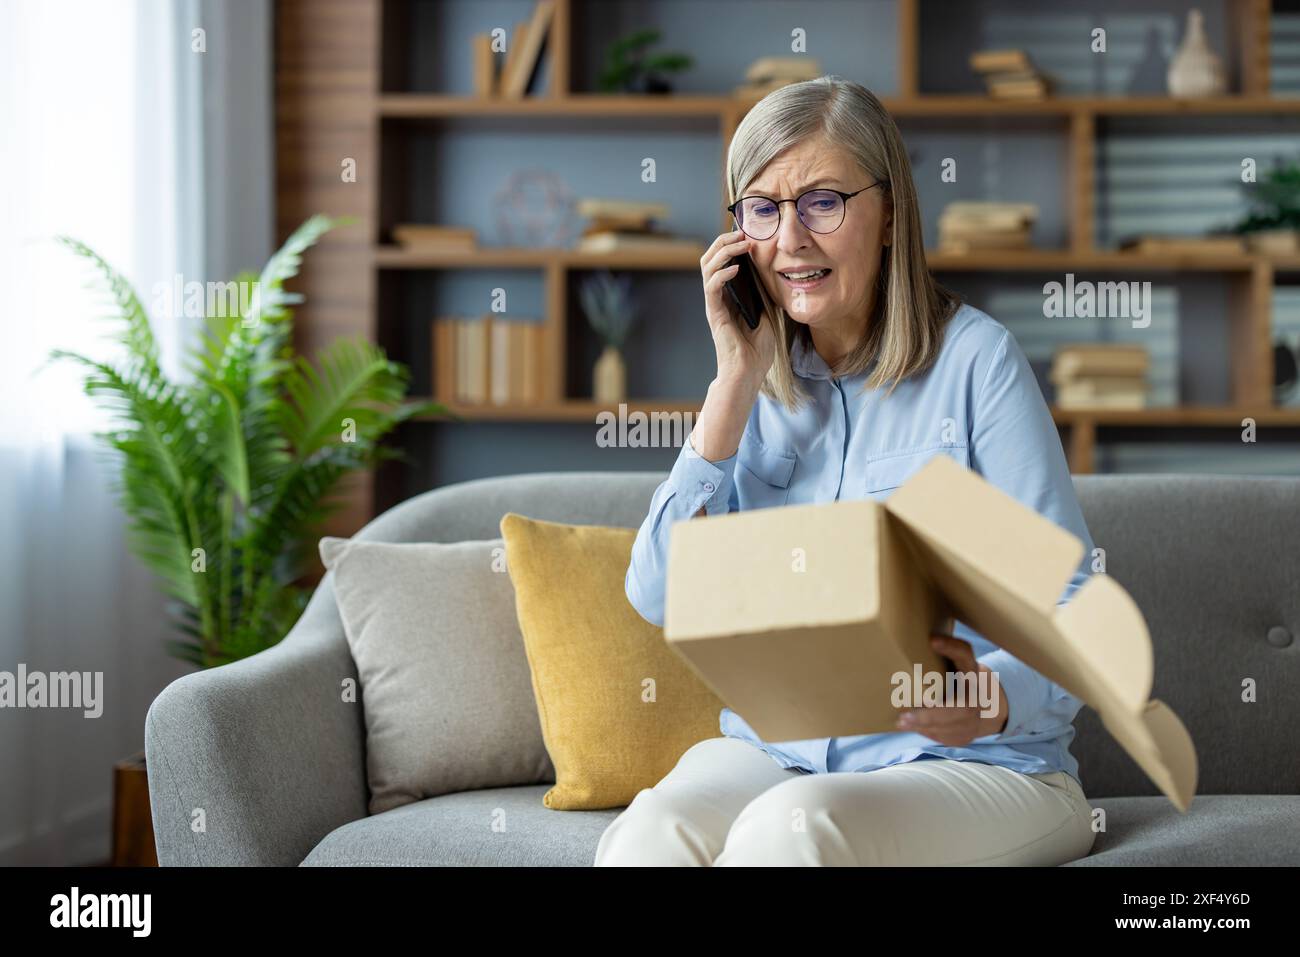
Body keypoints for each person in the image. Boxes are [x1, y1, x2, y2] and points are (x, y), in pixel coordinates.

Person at [594, 76, 1098, 867]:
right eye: (762, 207)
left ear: (890, 212)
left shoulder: (973, 365)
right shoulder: (754, 384)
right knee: (649, 831)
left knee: (793, 826)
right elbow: (657, 595)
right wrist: (731, 387)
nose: (790, 238)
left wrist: (988, 700)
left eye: (822, 201)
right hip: (781, 751)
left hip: (975, 766)